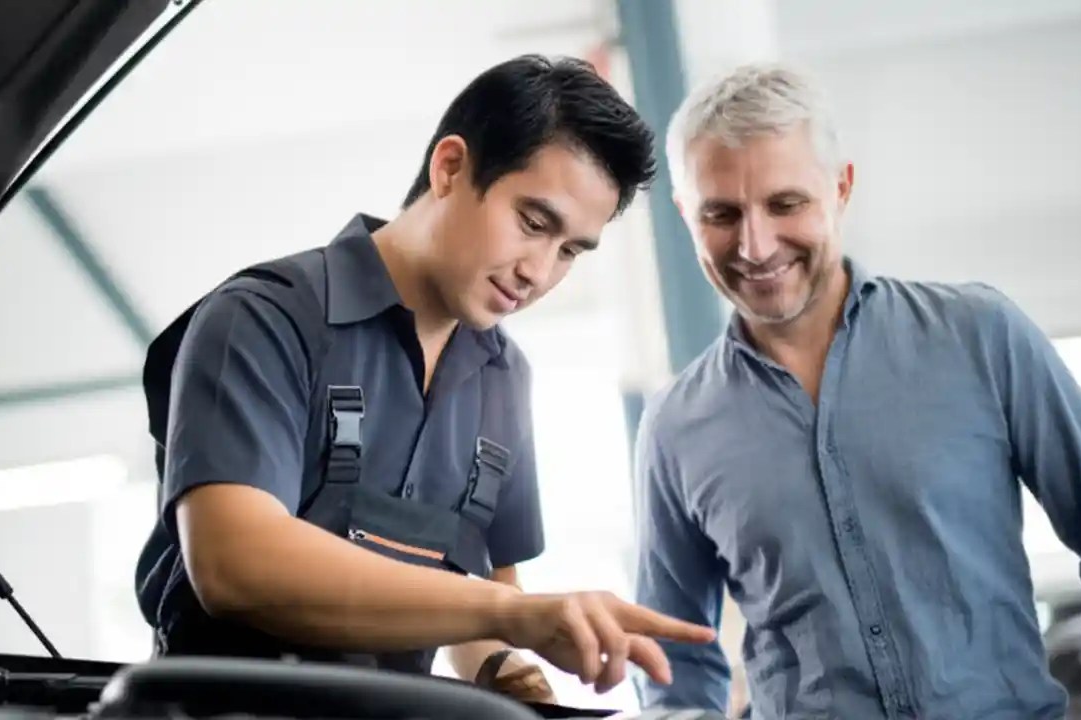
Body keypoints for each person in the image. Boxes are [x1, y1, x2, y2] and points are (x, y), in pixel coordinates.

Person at [133, 53, 716, 702]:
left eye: (570, 251)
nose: (540, 271)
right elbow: (234, 562)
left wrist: (515, 679)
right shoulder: (263, 320)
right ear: (450, 168)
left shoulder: (502, 380)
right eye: (533, 223)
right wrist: (511, 616)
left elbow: (485, 594)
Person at [632, 62, 1081, 719]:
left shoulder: (980, 337)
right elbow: (669, 657)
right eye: (722, 214)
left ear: (841, 188)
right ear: (686, 214)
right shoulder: (675, 427)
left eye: (785, 204)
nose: (755, 245)